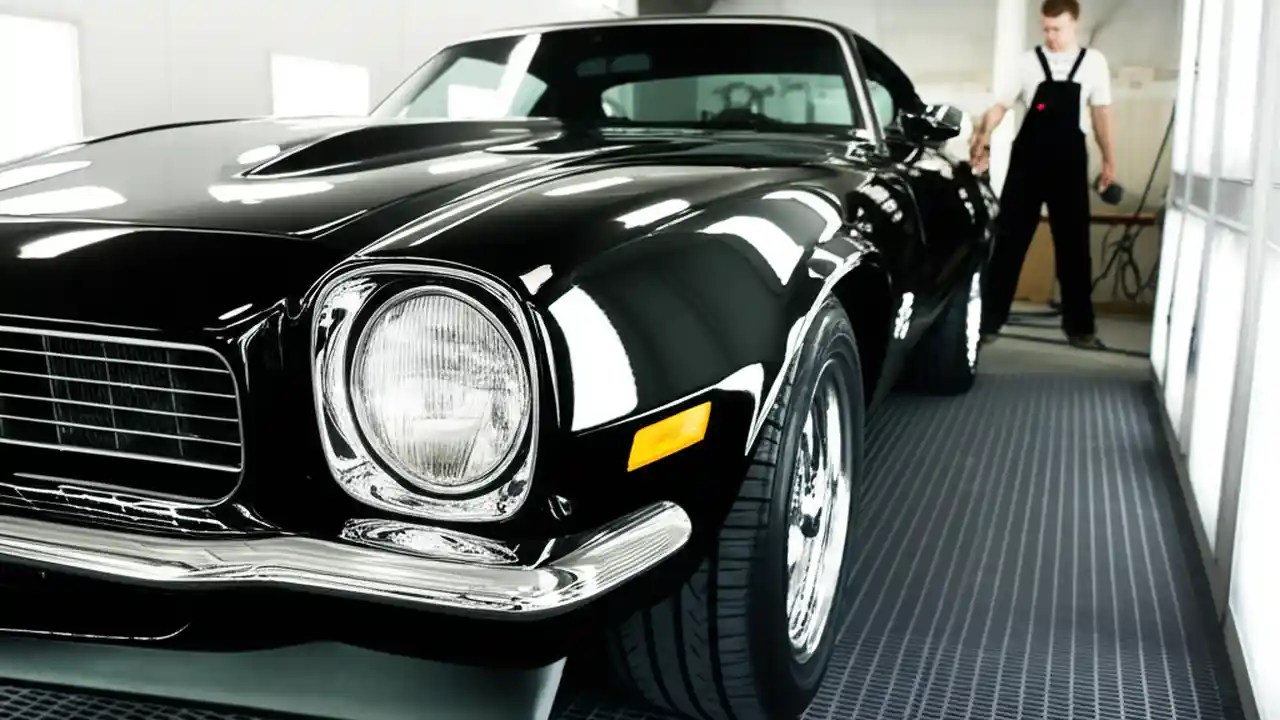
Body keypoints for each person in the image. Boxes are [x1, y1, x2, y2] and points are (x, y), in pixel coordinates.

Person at [970, 0, 1116, 349]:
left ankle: (1080, 329)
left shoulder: (1093, 63)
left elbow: (1101, 114)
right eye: (1046, 28)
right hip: (1028, 163)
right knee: (1008, 241)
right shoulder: (1026, 63)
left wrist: (1110, 160)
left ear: (1074, 25)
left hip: (1069, 164)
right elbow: (1000, 106)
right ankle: (988, 325)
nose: (1051, 36)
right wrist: (983, 135)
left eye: (1058, 29)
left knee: (1074, 247)